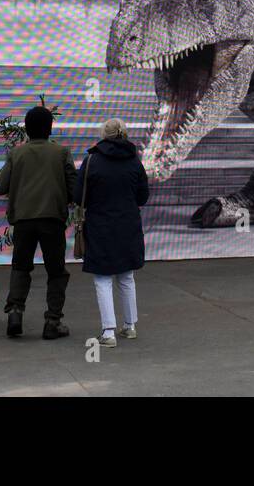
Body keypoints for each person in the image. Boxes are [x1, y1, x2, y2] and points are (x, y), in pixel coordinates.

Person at [0, 104, 76, 339]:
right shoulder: (61, 153)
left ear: (27, 129)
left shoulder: (16, 153)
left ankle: (15, 313)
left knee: (21, 267)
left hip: (23, 221)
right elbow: (74, 188)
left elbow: (1, 187)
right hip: (52, 220)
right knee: (56, 271)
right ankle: (52, 322)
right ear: (50, 128)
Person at [75, 118, 149, 347]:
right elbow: (143, 196)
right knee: (126, 276)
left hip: (100, 226)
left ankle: (108, 332)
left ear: (104, 135)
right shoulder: (134, 161)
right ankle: (130, 326)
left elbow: (79, 197)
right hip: (128, 225)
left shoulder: (92, 161)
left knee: (103, 278)